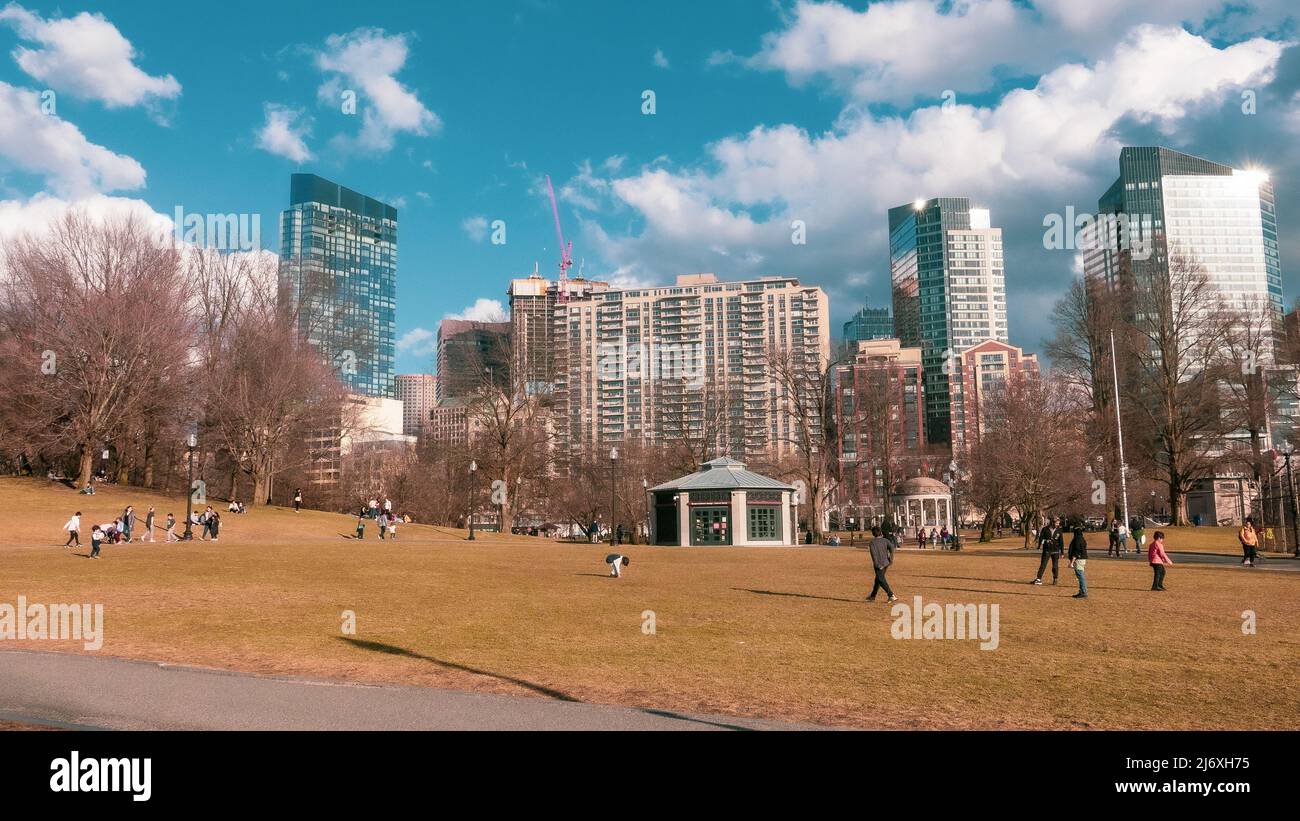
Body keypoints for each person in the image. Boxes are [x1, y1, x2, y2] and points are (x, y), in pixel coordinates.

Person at [866, 526, 898, 603]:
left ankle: (891, 595)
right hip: (886, 563)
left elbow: (874, 555)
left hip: (879, 564)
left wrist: (877, 565)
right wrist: (891, 558)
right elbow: (892, 548)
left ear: (873, 533)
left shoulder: (872, 542)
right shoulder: (885, 540)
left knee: (881, 579)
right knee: (878, 579)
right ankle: (872, 596)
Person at [1032, 516, 1064, 585]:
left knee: (1055, 566)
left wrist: (1062, 552)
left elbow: (1061, 541)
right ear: (1052, 523)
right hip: (1047, 550)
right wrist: (1044, 542)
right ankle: (1038, 579)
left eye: (1058, 523)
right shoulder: (1045, 529)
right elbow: (1041, 538)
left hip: (1055, 550)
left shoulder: (1059, 530)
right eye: (1056, 523)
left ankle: (1055, 579)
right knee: (1043, 565)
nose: (1057, 525)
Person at [1068, 523, 1089, 599]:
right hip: (1082, 559)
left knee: (1080, 576)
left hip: (1078, 559)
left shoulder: (1077, 539)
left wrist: (1072, 562)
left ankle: (1084, 592)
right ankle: (1081, 591)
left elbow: (1076, 551)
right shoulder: (1082, 539)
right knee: (1080, 575)